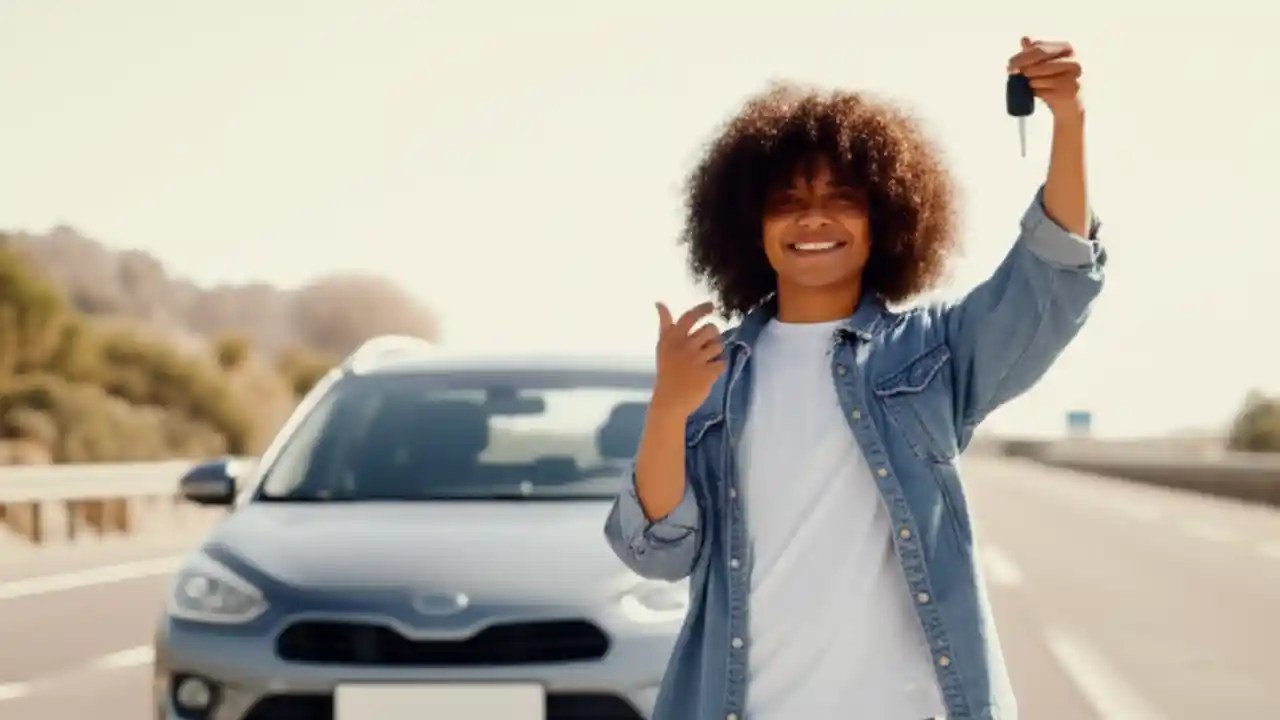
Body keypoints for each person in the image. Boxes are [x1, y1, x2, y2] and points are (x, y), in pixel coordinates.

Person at [604, 38, 1103, 720]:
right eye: (787, 202)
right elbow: (658, 553)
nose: (813, 218)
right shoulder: (710, 373)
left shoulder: (931, 355)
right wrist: (668, 407)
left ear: (887, 221)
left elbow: (1050, 277)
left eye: (842, 200)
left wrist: (1068, 123)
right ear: (750, 225)